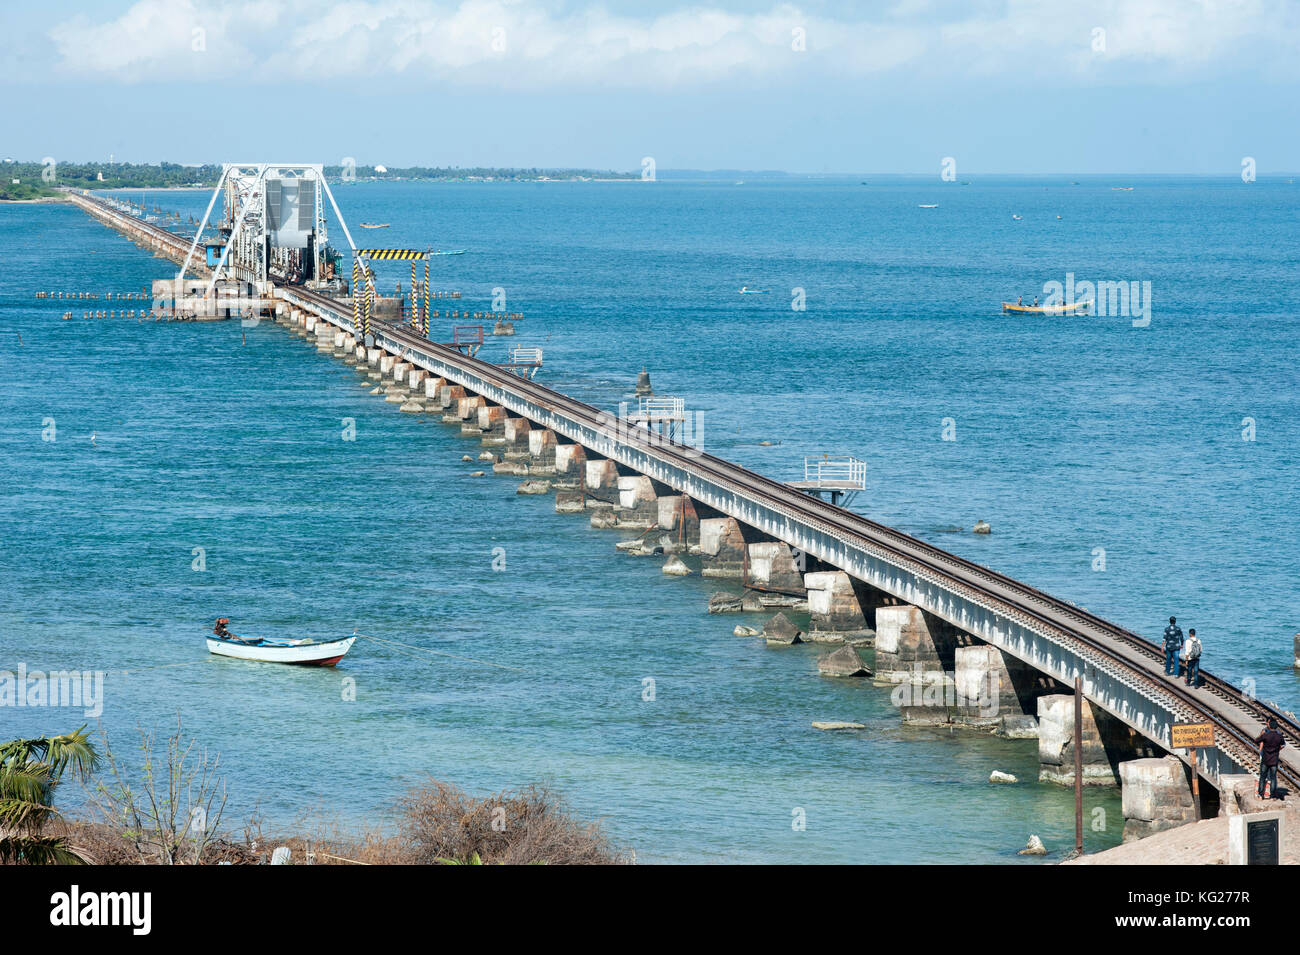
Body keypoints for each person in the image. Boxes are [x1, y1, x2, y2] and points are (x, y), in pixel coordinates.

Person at [1257, 718, 1286, 799]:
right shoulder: (1279, 736)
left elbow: (1256, 740)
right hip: (1274, 760)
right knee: (1273, 778)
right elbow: (1283, 745)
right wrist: (1277, 749)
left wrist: (1261, 735)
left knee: (1262, 777)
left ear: (1269, 726)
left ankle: (1260, 794)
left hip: (1265, 759)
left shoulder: (1265, 735)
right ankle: (1272, 796)